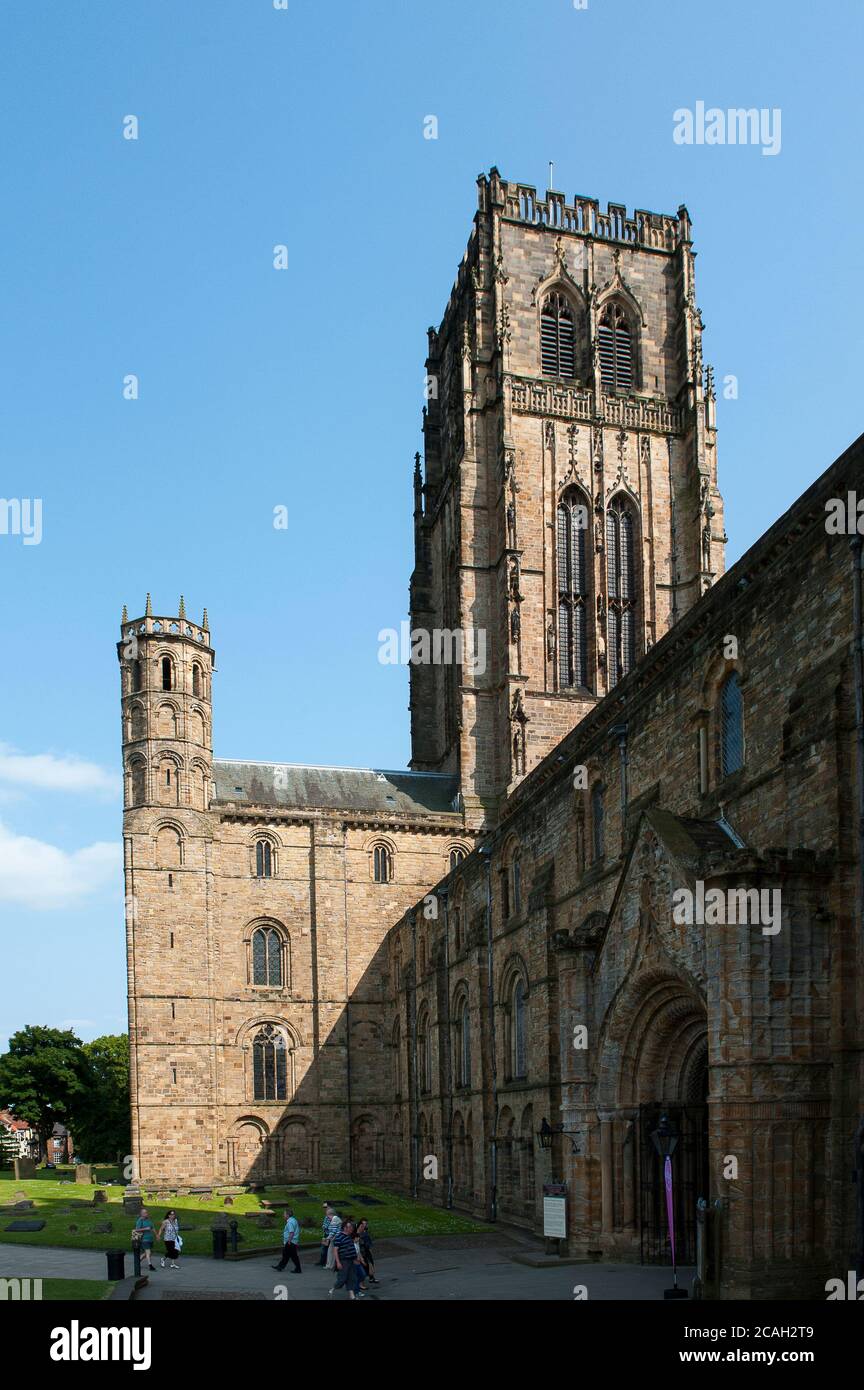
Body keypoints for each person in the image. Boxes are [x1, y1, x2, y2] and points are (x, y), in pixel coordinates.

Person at [329, 1219, 363, 1300]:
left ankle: (352, 1296)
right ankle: (333, 1289)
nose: (351, 1228)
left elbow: (352, 1248)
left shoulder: (349, 1236)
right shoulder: (339, 1237)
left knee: (352, 1278)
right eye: (350, 1227)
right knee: (342, 1279)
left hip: (351, 1261)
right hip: (343, 1261)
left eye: (351, 1227)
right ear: (345, 1228)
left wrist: (356, 1258)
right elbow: (335, 1250)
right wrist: (338, 1262)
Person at [273, 1207, 302, 1273]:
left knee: (293, 1256)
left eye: (284, 1214)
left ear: (288, 1215)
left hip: (291, 1242)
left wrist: (289, 1241)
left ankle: (298, 1269)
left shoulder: (290, 1222)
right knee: (286, 1255)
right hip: (292, 1241)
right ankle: (280, 1266)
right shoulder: (293, 1220)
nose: (283, 1215)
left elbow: (291, 1232)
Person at [356, 1218, 377, 1286]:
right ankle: (361, 1282)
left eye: (365, 1224)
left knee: (370, 1263)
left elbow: (368, 1243)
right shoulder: (358, 1234)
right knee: (364, 1266)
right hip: (362, 1252)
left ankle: (371, 1277)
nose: (364, 1225)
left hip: (366, 1251)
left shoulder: (365, 1233)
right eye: (363, 1224)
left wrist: (370, 1250)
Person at [324, 1206, 341, 1271]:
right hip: (336, 1238)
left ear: (330, 1214)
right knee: (332, 1252)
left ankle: (330, 1265)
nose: (327, 1217)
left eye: (327, 1215)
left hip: (335, 1239)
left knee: (331, 1252)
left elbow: (333, 1231)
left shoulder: (334, 1220)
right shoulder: (337, 1219)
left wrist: (327, 1238)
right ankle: (331, 1265)